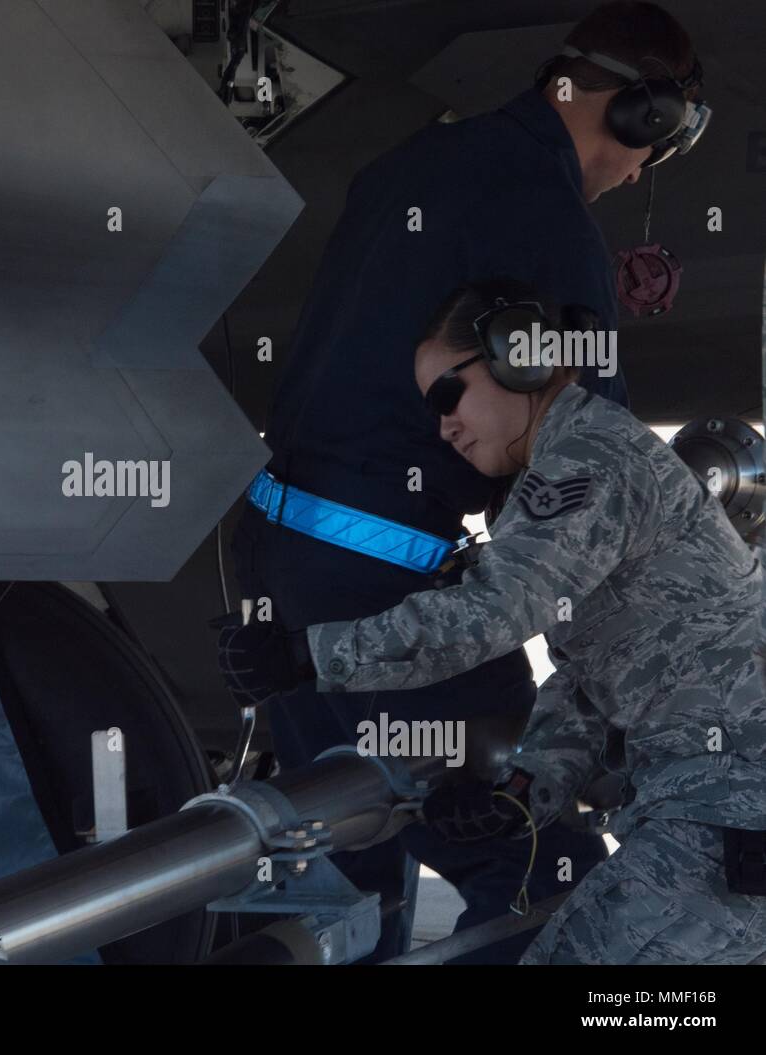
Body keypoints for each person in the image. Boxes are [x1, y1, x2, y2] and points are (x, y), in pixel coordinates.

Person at [227, 1, 710, 961]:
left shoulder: (409, 164)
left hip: (270, 562)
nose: (641, 172)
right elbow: (589, 475)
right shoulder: (548, 210)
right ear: (637, 114)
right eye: (656, 146)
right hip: (374, 581)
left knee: (347, 855)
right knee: (543, 865)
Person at [220, 279, 766, 964]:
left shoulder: (588, 462)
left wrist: (308, 653)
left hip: (729, 809)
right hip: (720, 807)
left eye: (449, 394)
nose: (443, 424)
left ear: (521, 360)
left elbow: (491, 610)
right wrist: (524, 791)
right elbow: (592, 681)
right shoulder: (586, 461)